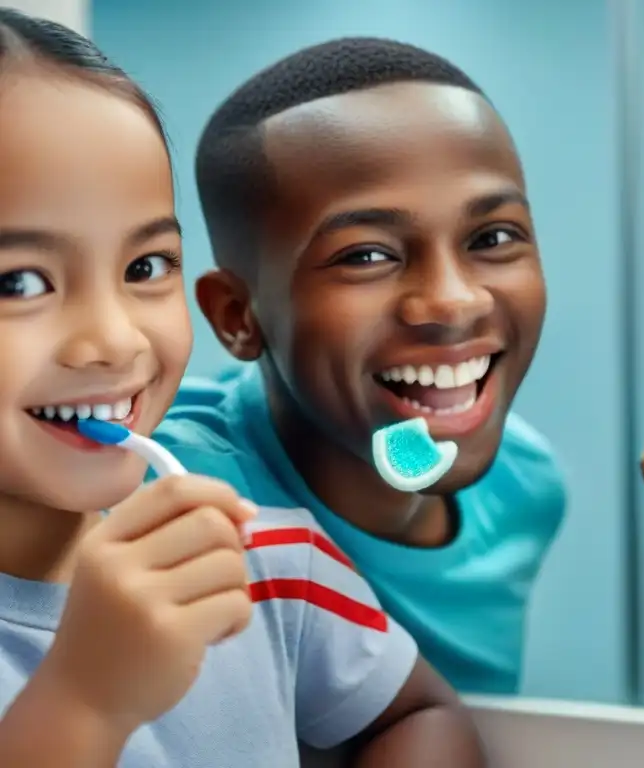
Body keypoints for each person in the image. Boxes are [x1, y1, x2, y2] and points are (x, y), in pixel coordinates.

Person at [0, 9, 484, 766]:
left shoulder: (265, 558)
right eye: (20, 282)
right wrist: (83, 703)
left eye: (144, 267)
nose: (116, 340)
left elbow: (419, 713)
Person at [156, 37, 566, 695]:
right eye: (366, 256)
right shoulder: (165, 493)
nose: (454, 302)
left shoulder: (526, 485)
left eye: (492, 238)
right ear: (237, 315)